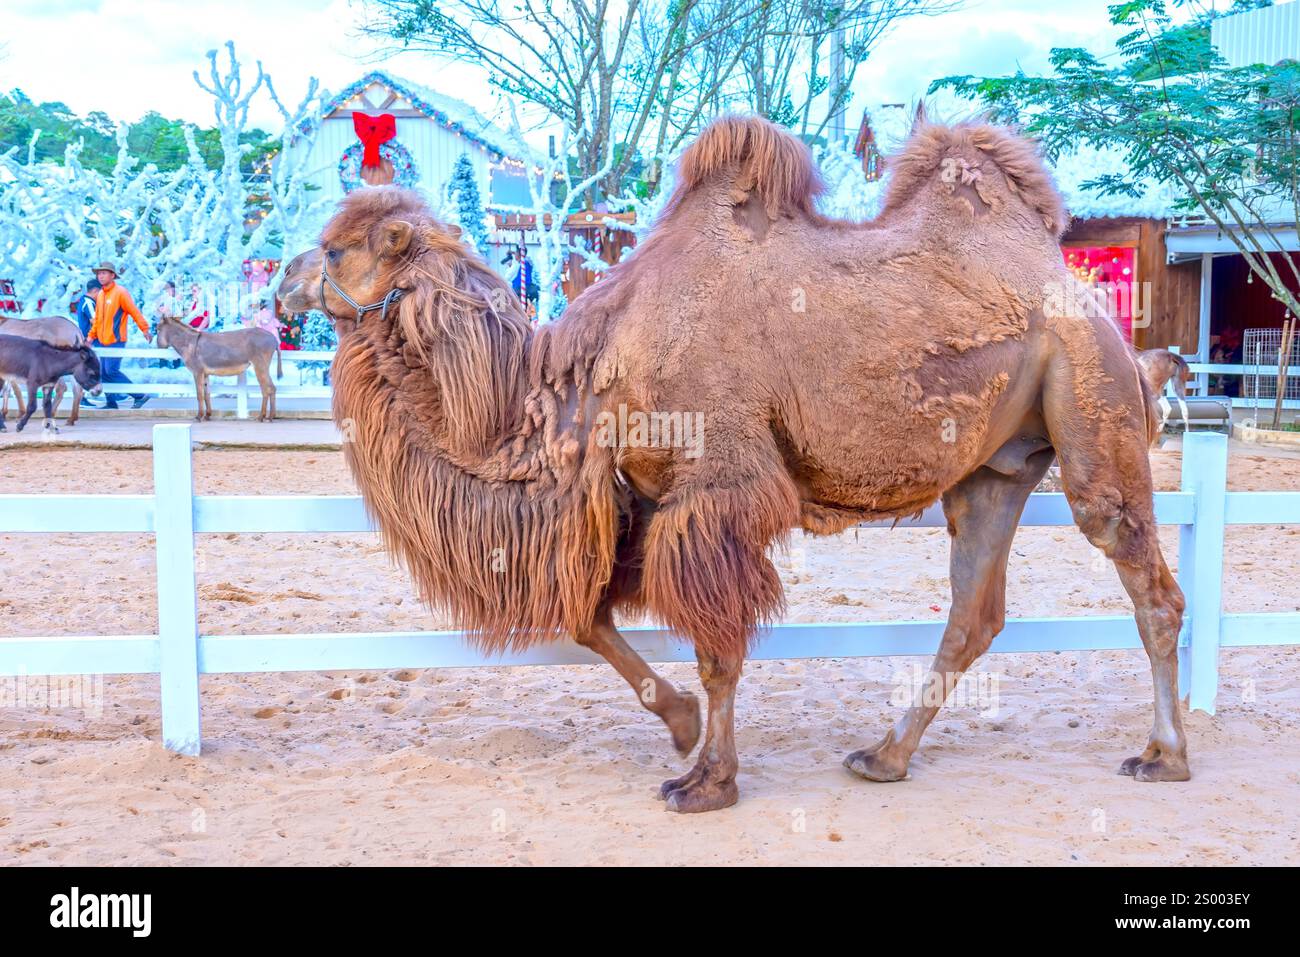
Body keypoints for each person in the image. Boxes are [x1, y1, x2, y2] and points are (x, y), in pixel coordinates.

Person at [85, 261, 153, 410]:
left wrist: (145, 329)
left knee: (111, 371)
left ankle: (139, 395)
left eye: (104, 273)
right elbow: (97, 319)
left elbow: (134, 311)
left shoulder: (121, 292)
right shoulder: (101, 294)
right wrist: (90, 337)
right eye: (99, 273)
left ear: (112, 275)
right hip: (101, 341)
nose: (100, 276)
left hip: (116, 340)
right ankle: (111, 402)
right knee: (102, 372)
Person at [72, 279, 104, 408]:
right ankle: (82, 398)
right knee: (87, 369)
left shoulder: (86, 301)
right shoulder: (88, 302)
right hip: (90, 340)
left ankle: (83, 397)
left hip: (90, 339)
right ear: (96, 290)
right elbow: (94, 321)